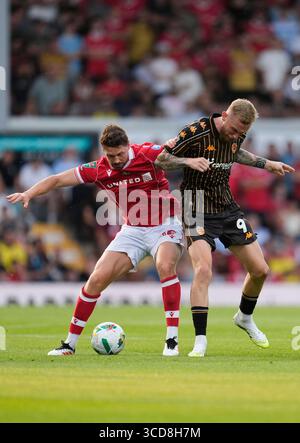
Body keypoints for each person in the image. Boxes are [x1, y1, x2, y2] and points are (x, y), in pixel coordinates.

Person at [7, 125, 186, 357]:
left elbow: (172, 153)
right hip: (133, 229)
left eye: (120, 154)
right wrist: (29, 193)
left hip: (166, 224)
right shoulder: (99, 169)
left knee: (164, 265)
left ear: (128, 146)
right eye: (111, 155)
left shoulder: (147, 153)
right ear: (104, 152)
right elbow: (57, 179)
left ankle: (172, 340)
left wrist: (179, 148)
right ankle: (69, 344)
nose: (116, 159)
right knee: (95, 280)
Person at [155, 98, 295, 357]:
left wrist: (267, 163)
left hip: (226, 206)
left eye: (242, 133)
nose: (236, 135)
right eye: (234, 130)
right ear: (225, 115)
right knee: (204, 270)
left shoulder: (237, 134)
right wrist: (188, 162)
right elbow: (161, 159)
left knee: (260, 270)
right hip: (194, 206)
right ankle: (200, 341)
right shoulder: (195, 132)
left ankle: (244, 317)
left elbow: (236, 153)